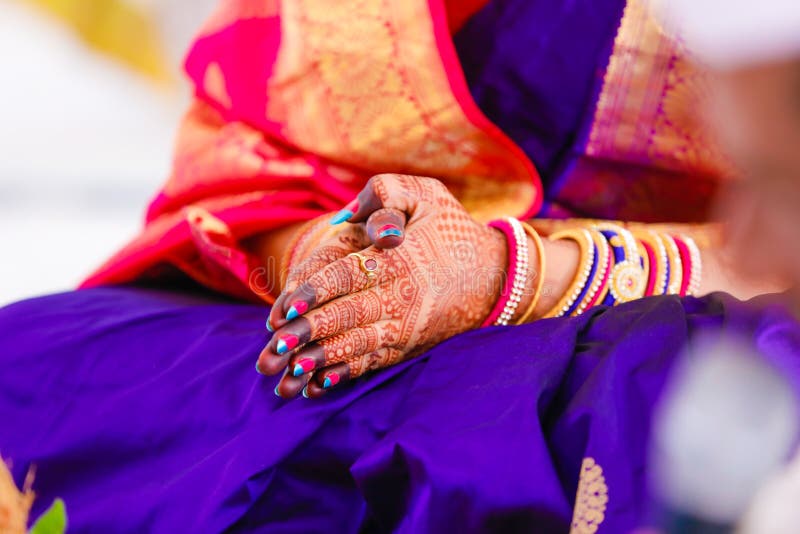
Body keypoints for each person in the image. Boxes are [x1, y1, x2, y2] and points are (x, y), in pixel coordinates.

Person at [0, 0, 798, 531]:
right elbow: (258, 143)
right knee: (38, 365)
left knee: (590, 424)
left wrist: (512, 275)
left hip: (681, 314)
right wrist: (321, 254)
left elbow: (776, 237)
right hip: (377, 307)